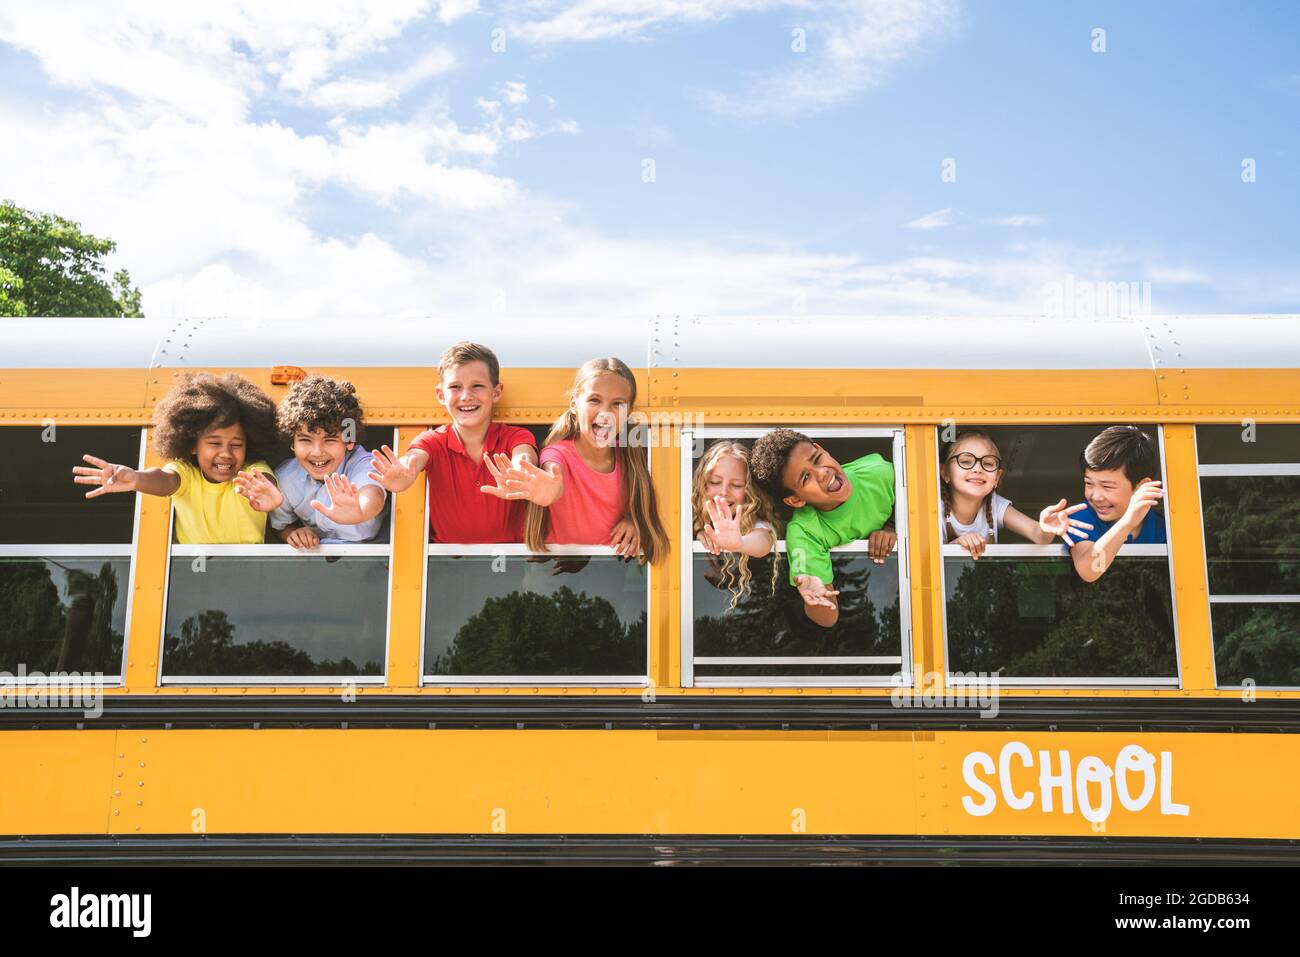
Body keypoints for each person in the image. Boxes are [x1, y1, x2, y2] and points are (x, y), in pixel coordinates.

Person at [72, 371, 278, 544]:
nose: (225, 453)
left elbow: (264, 482)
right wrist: (136, 479)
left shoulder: (252, 471)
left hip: (250, 572)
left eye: (236, 445)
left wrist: (267, 492)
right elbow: (164, 480)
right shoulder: (186, 475)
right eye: (214, 443)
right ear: (192, 445)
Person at [501, 357, 668, 564]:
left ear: (629, 413)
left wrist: (634, 521)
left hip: (607, 571)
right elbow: (553, 475)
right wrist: (547, 488)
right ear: (574, 403)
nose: (605, 413)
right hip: (548, 568)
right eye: (594, 400)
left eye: (617, 404)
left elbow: (647, 511)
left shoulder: (630, 461)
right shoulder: (558, 454)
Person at [366, 342, 537, 543]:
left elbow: (524, 457)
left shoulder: (515, 437)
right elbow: (413, 458)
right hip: (447, 564)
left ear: (496, 392)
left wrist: (520, 473)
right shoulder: (433, 441)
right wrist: (403, 473)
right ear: (441, 394)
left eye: (477, 386)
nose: (466, 396)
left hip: (513, 561)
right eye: (455, 387)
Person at [749, 428, 895, 627]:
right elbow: (828, 618)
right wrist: (817, 599)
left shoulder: (881, 472)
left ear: (821, 449)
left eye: (817, 458)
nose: (823, 472)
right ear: (796, 500)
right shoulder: (804, 531)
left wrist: (892, 526)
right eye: (806, 478)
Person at [232, 376, 388, 548]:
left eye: (330, 440)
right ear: (292, 441)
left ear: (349, 440)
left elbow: (374, 493)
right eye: (306, 440)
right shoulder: (287, 478)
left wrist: (360, 512)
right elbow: (281, 526)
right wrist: (293, 533)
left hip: (376, 557)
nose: (317, 452)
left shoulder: (363, 463)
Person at [1041, 424, 1166, 583]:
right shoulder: (1080, 519)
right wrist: (1127, 522)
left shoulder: (1161, 526)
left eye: (1107, 487)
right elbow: (1089, 571)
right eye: (1089, 483)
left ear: (1141, 487)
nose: (1096, 496)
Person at [939, 429, 1091, 558]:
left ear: (997, 478)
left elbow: (1036, 533)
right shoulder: (936, 510)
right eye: (965, 461)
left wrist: (1046, 528)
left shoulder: (994, 504)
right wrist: (955, 545)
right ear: (944, 472)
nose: (978, 469)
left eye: (988, 463)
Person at [691, 440, 778, 608]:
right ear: (702, 485)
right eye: (715, 482)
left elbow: (764, 541)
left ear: (749, 492)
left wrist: (739, 543)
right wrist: (697, 532)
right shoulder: (688, 521)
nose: (724, 491)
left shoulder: (754, 521)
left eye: (736, 485)